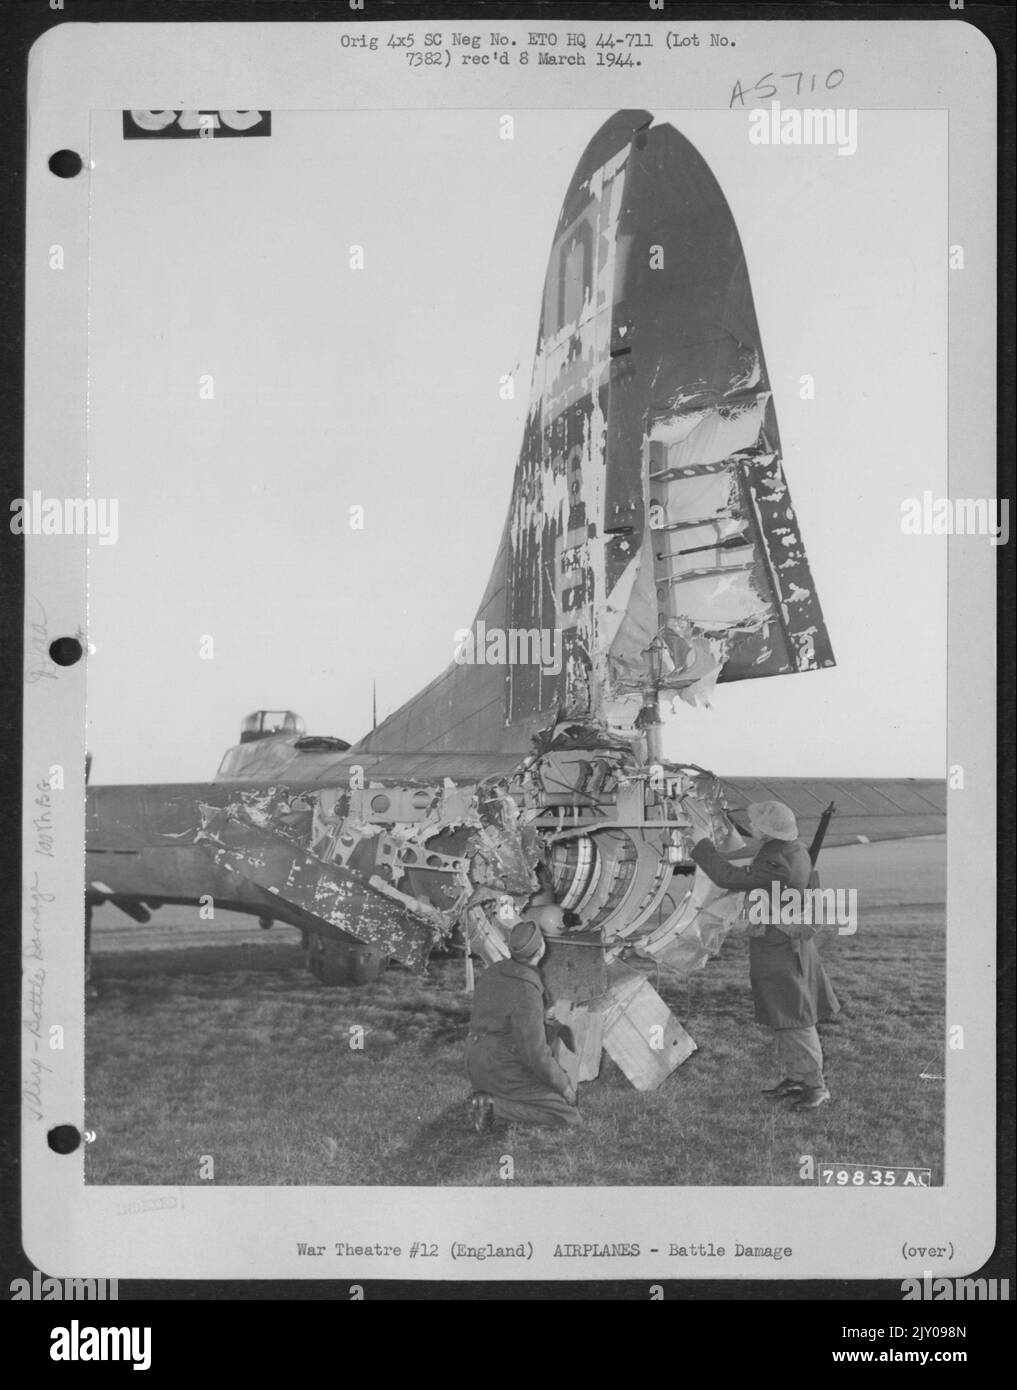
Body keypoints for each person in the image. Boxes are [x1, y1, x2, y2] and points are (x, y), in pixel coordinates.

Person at [688, 799, 840, 1111]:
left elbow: (729, 878)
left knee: (796, 1018)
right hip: (781, 944)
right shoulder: (790, 850)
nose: (751, 825)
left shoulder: (776, 859)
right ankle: (798, 1076)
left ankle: (815, 1086)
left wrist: (700, 843)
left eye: (755, 822)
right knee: (784, 1015)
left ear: (767, 830)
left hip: (780, 947)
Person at [466, 918, 582, 1131]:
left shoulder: (494, 970)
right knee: (568, 1116)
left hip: (477, 1061)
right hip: (501, 1067)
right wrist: (563, 1085)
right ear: (541, 949)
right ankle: (494, 1107)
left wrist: (538, 1017)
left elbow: (498, 1014)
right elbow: (535, 1054)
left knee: (539, 1090)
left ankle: (487, 1097)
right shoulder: (527, 990)